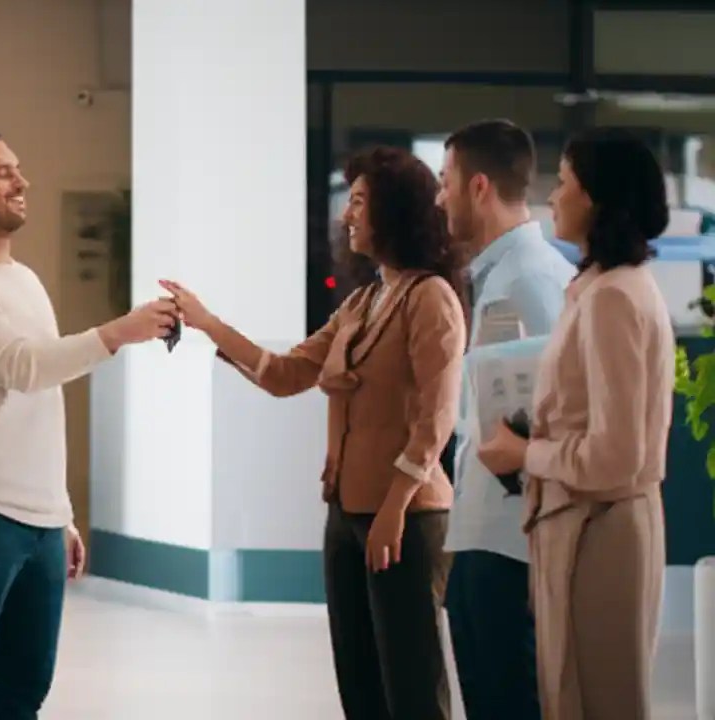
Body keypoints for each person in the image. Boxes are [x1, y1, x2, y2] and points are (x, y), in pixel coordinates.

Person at [163, 146, 466, 720]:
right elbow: (283, 375)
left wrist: (395, 505)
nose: (346, 216)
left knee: (412, 685)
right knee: (360, 684)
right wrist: (206, 323)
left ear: (395, 211)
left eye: (358, 202)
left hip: (405, 515)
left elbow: (437, 415)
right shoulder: (363, 302)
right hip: (346, 512)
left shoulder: (431, 298)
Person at [0, 124, 179, 719]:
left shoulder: (23, 280)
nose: (20, 180)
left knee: (26, 686)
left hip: (37, 518)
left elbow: (39, 399)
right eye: (1, 172)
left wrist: (60, 512)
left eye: (18, 168)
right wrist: (117, 332)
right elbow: (20, 367)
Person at [477, 127, 673, 720]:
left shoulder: (615, 297)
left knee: (597, 699)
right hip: (582, 525)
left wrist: (524, 454)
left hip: (603, 530)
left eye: (562, 183)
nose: (552, 197)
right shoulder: (598, 289)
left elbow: (616, 456)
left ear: (596, 196)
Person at [435, 119, 575, 720]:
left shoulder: (532, 280)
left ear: (479, 187)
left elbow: (558, 411)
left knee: (509, 700)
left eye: (446, 182)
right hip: (479, 533)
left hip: (510, 542)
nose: (440, 198)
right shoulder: (497, 277)